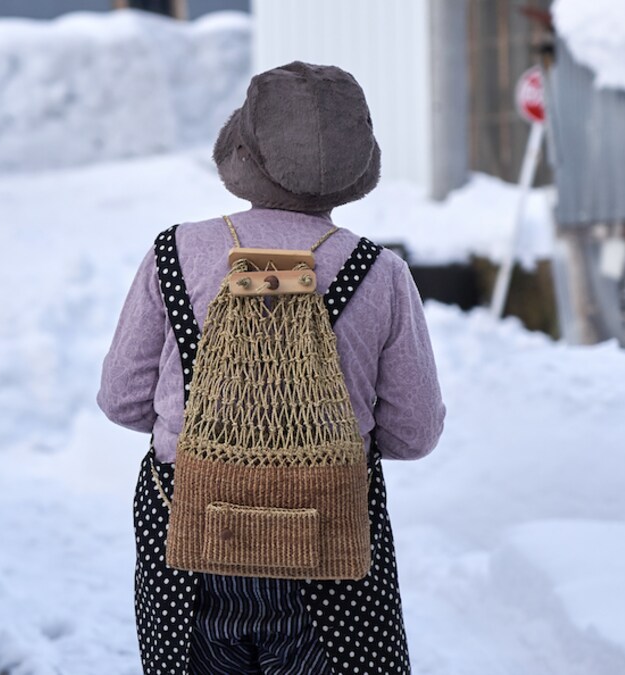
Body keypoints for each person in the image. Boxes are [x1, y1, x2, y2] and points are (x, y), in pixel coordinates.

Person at [97, 61, 445, 675]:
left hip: (188, 531)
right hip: (329, 538)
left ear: (241, 154)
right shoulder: (380, 272)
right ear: (360, 168)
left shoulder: (174, 253)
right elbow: (413, 435)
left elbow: (123, 400)